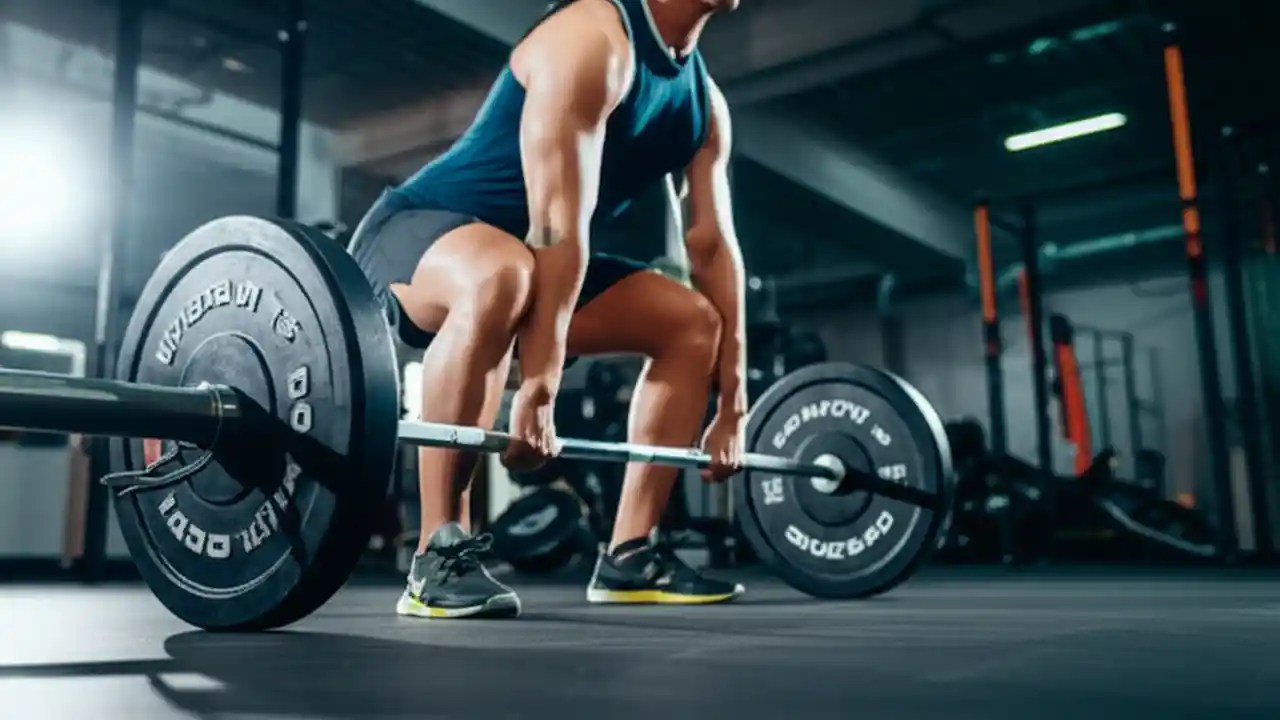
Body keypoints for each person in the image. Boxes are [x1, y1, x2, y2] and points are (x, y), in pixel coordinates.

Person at [349, 0, 747, 619]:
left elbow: (713, 247)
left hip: (534, 263)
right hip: (421, 235)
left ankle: (630, 554)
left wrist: (734, 405)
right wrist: (539, 388)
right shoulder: (593, 39)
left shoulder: (702, 106)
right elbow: (558, 224)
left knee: (691, 323)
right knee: (502, 271)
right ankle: (436, 553)